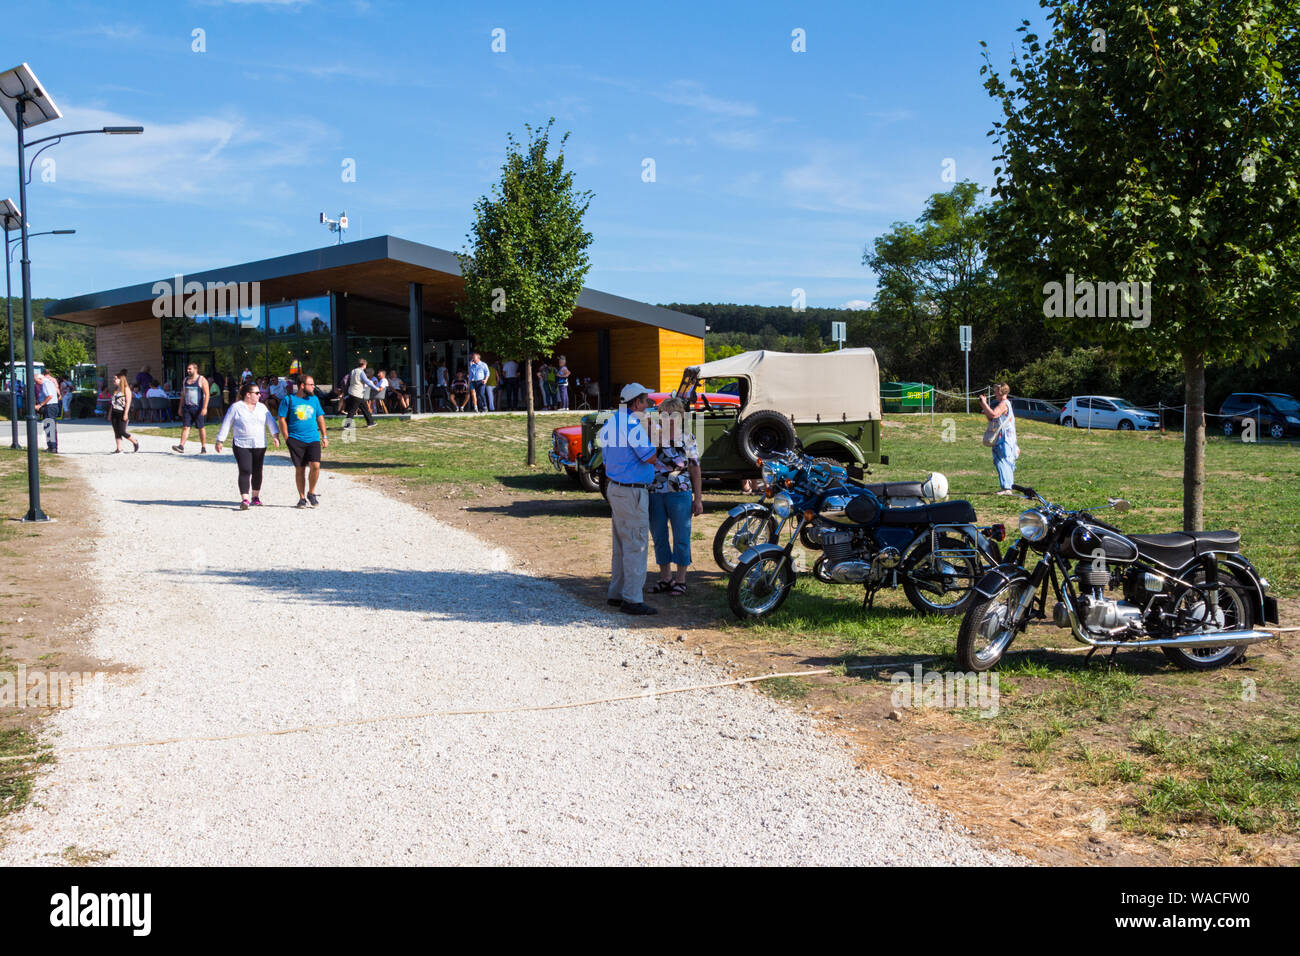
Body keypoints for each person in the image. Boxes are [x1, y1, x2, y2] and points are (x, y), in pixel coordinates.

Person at [598, 383, 660, 616]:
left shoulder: (612, 421)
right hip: (632, 491)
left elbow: (605, 460)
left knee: (621, 544)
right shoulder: (632, 425)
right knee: (636, 544)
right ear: (636, 403)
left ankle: (617, 593)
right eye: (645, 401)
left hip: (616, 487)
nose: (648, 405)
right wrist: (657, 435)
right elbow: (650, 457)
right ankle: (632, 598)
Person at [647, 396, 703, 596]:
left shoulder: (688, 438)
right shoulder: (653, 437)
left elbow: (695, 469)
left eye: (673, 414)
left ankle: (681, 579)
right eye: (664, 414)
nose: (668, 418)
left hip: (680, 493)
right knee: (659, 536)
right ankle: (665, 577)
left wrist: (698, 499)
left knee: (681, 536)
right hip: (655, 493)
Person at [215, 380, 282, 510]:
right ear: (248, 394)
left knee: (257, 470)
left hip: (259, 444)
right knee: (245, 469)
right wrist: (220, 440)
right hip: (241, 444)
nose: (259, 395)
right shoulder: (236, 407)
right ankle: (245, 499)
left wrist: (275, 436)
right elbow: (226, 423)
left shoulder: (262, 407)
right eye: (256, 393)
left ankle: (255, 497)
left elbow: (271, 422)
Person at [278, 374, 329, 509]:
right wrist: (286, 437)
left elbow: (320, 417)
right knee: (300, 469)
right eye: (311, 384)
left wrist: (324, 436)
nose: (313, 387)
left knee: (315, 466)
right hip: (295, 439)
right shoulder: (288, 399)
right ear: (302, 385)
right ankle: (301, 498)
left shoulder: (314, 399)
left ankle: (311, 493)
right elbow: (281, 418)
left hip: (313, 438)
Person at [980, 383, 1021, 495]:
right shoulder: (1003, 403)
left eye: (996, 391)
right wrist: (984, 405)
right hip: (1004, 438)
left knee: (1003, 461)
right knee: (1003, 461)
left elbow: (993, 414)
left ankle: (1006, 488)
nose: (994, 393)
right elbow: (990, 417)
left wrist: (984, 403)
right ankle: (1007, 486)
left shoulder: (1004, 403)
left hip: (1005, 439)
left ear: (1001, 391)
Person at [172, 362, 211, 454]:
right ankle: (181, 446)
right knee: (185, 427)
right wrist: (180, 407)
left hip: (198, 408)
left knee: (201, 427)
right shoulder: (185, 380)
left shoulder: (202, 379)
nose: (188, 370)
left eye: (190, 369)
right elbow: (183, 394)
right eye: (187, 369)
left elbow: (207, 394)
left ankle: (203, 447)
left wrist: (205, 408)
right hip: (187, 408)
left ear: (195, 369)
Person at [343, 358, 380, 428]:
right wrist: (376, 388)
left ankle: (370, 422)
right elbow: (367, 381)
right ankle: (347, 425)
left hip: (352, 391)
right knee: (352, 410)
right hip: (357, 393)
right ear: (364, 365)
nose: (366, 366)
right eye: (366, 365)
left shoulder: (353, 371)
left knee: (364, 408)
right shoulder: (361, 372)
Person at [109, 370, 139, 453]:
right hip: (114, 412)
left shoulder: (126, 389)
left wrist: (125, 414)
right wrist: (110, 413)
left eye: (115, 378)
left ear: (120, 379)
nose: (113, 380)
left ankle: (135, 442)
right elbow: (113, 403)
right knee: (116, 431)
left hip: (122, 412)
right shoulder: (116, 390)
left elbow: (128, 402)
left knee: (122, 431)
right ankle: (119, 449)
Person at [32, 372, 60, 453]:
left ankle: (52, 447)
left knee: (49, 427)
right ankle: (51, 446)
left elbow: (50, 396)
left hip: (50, 407)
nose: (36, 383)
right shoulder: (49, 382)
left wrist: (40, 405)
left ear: (40, 379)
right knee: (49, 427)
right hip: (52, 406)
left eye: (36, 381)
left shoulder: (45, 383)